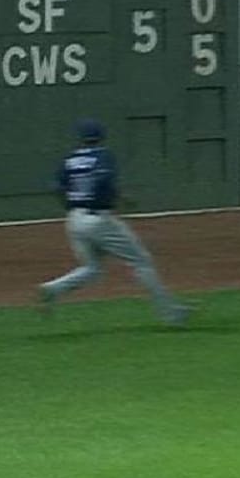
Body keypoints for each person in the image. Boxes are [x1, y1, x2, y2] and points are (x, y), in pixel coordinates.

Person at [38, 119, 191, 326]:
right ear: (101, 136)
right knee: (141, 261)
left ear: (81, 138)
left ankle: (53, 288)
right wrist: (119, 199)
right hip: (98, 218)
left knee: (92, 268)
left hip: (74, 219)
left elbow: (55, 187)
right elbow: (103, 180)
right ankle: (172, 314)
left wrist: (70, 205)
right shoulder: (103, 155)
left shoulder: (69, 160)